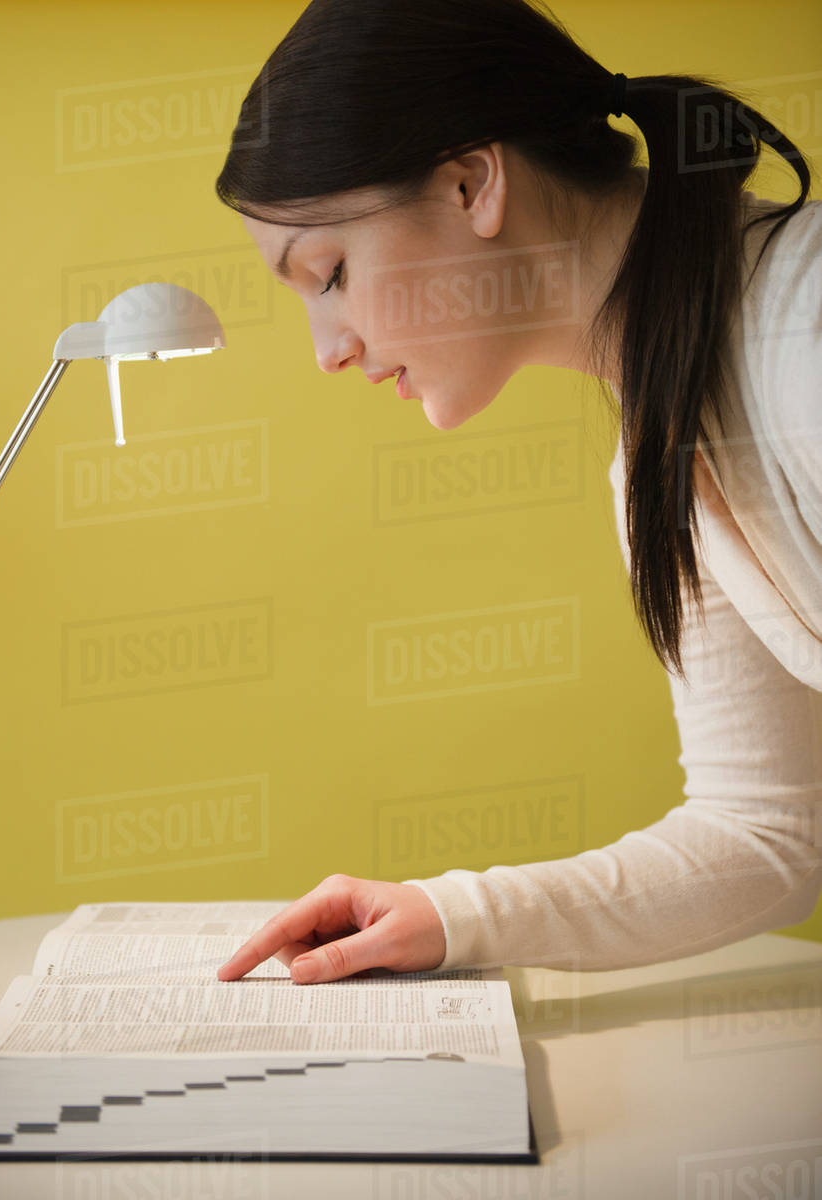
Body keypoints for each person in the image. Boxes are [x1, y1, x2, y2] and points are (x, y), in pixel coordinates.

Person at [213, 0, 822, 985]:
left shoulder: (804, 341)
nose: (328, 352)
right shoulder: (660, 456)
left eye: (326, 274)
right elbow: (763, 834)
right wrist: (449, 917)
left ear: (469, 183)